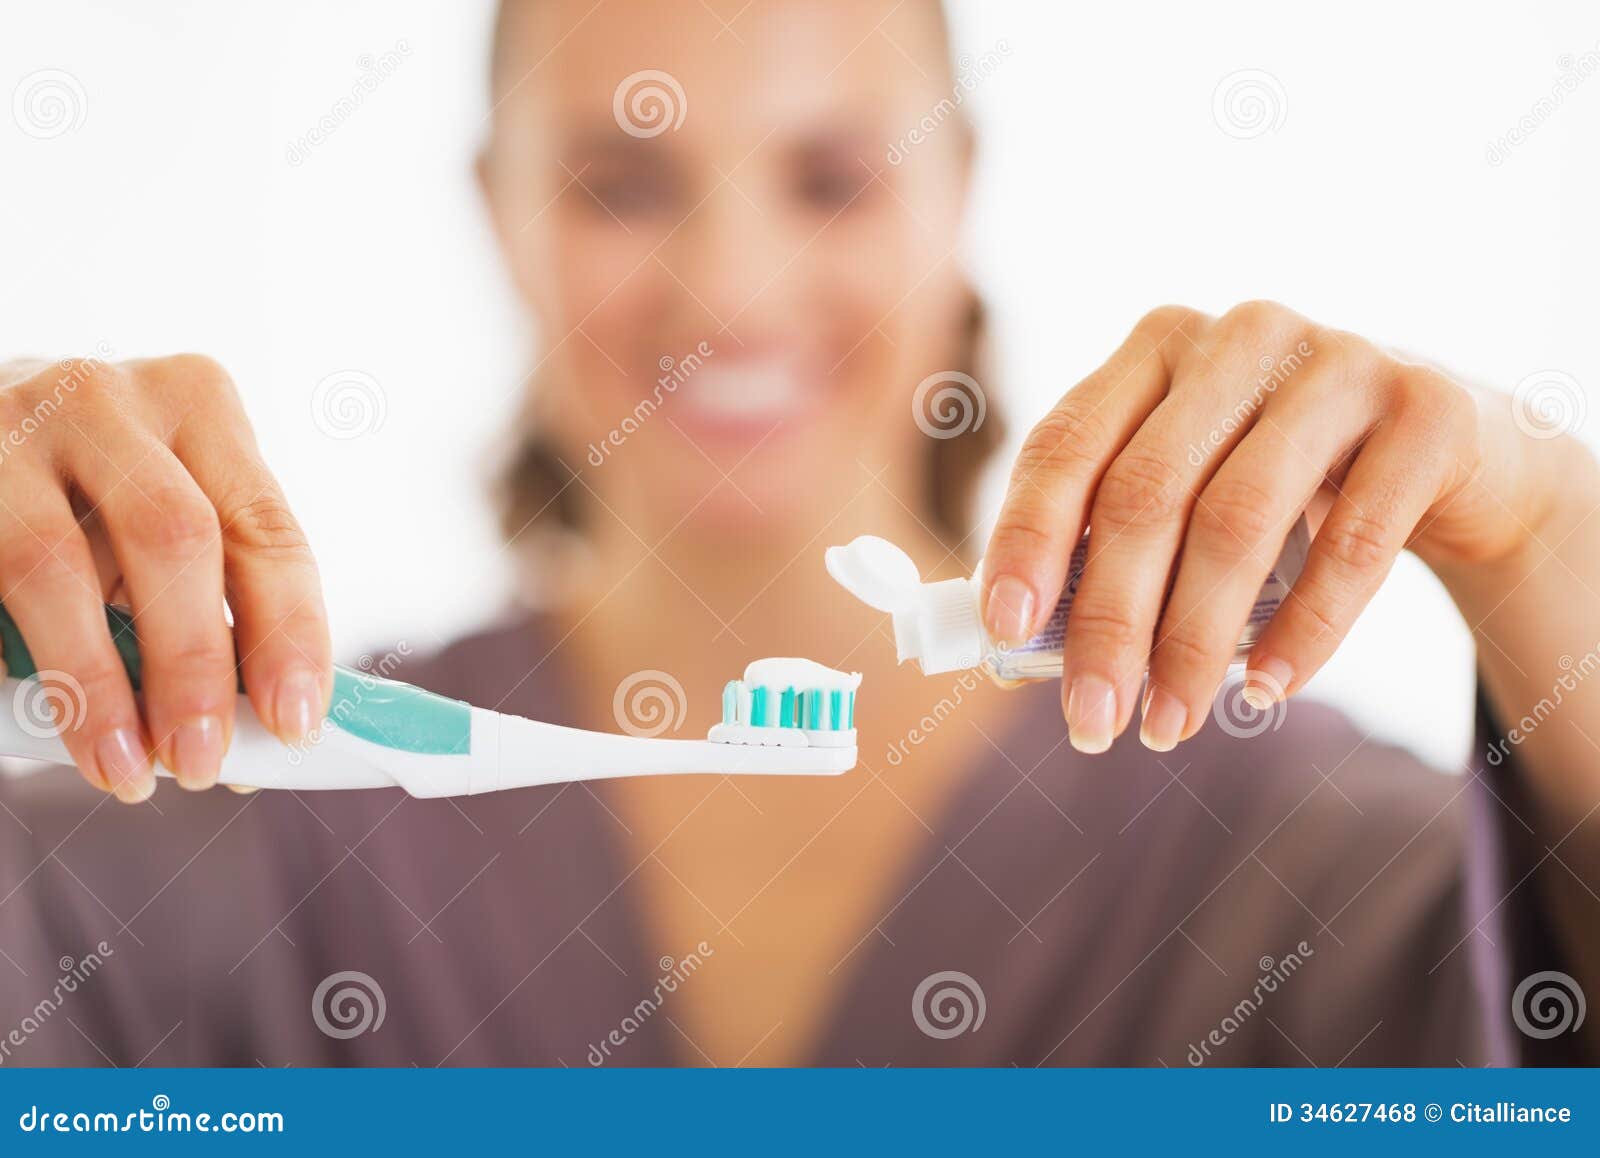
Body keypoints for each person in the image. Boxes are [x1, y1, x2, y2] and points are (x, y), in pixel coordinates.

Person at [0, 0, 1595, 1066]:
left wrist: (1544, 544)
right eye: (623, 184)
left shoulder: (1311, 862)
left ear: (959, 189)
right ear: (497, 210)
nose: (732, 291)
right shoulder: (182, 833)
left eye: (833, 178)